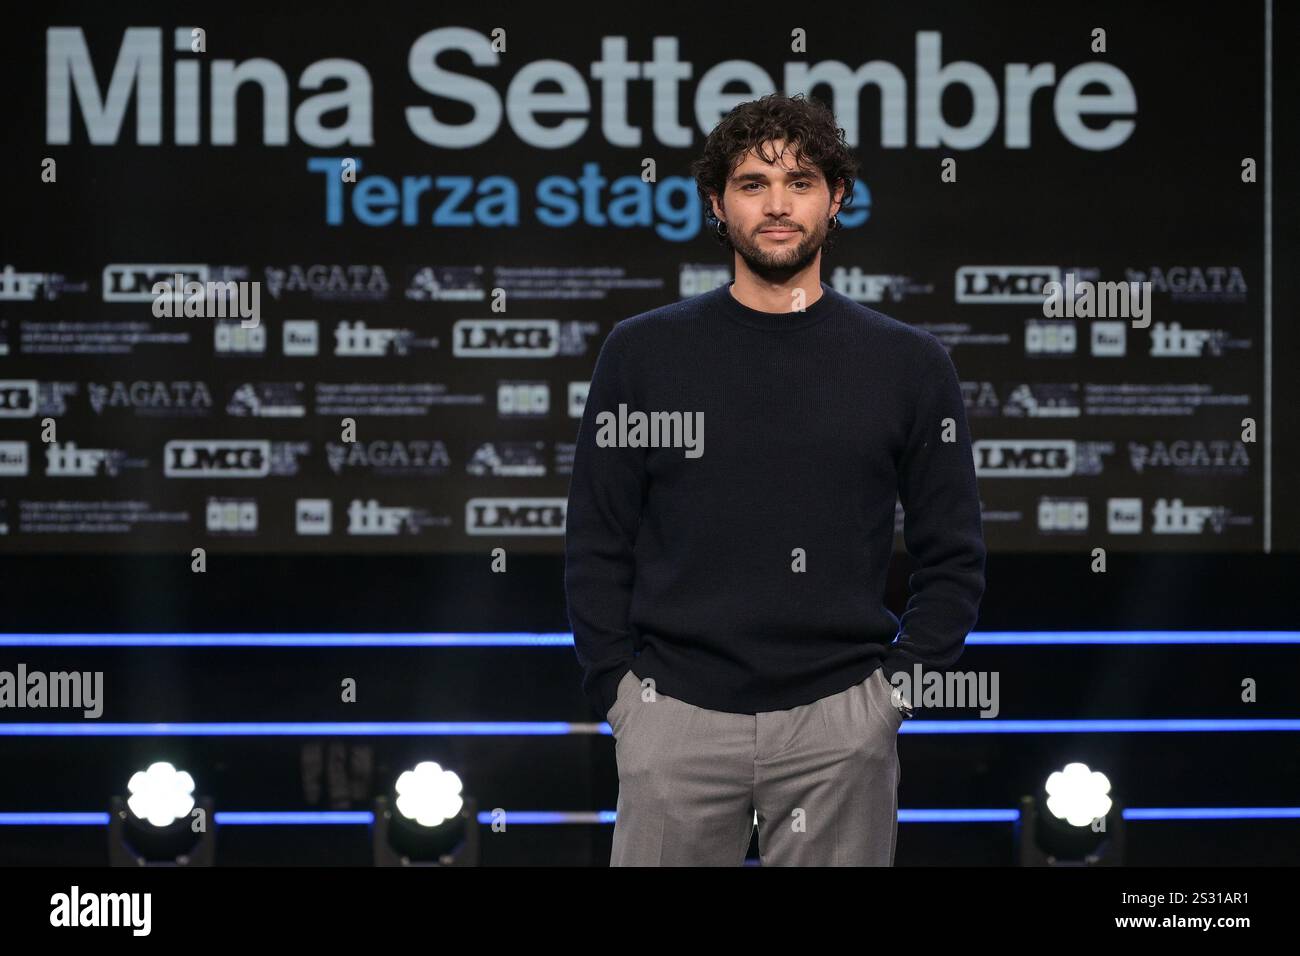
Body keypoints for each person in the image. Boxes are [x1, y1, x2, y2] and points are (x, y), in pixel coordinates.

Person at [564, 93, 986, 866]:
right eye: (754, 183)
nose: (779, 204)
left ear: (837, 200)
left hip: (840, 725)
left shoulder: (909, 364)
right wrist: (623, 701)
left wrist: (890, 702)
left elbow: (952, 557)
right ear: (717, 205)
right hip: (672, 717)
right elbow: (596, 541)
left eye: (801, 181)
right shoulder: (641, 353)